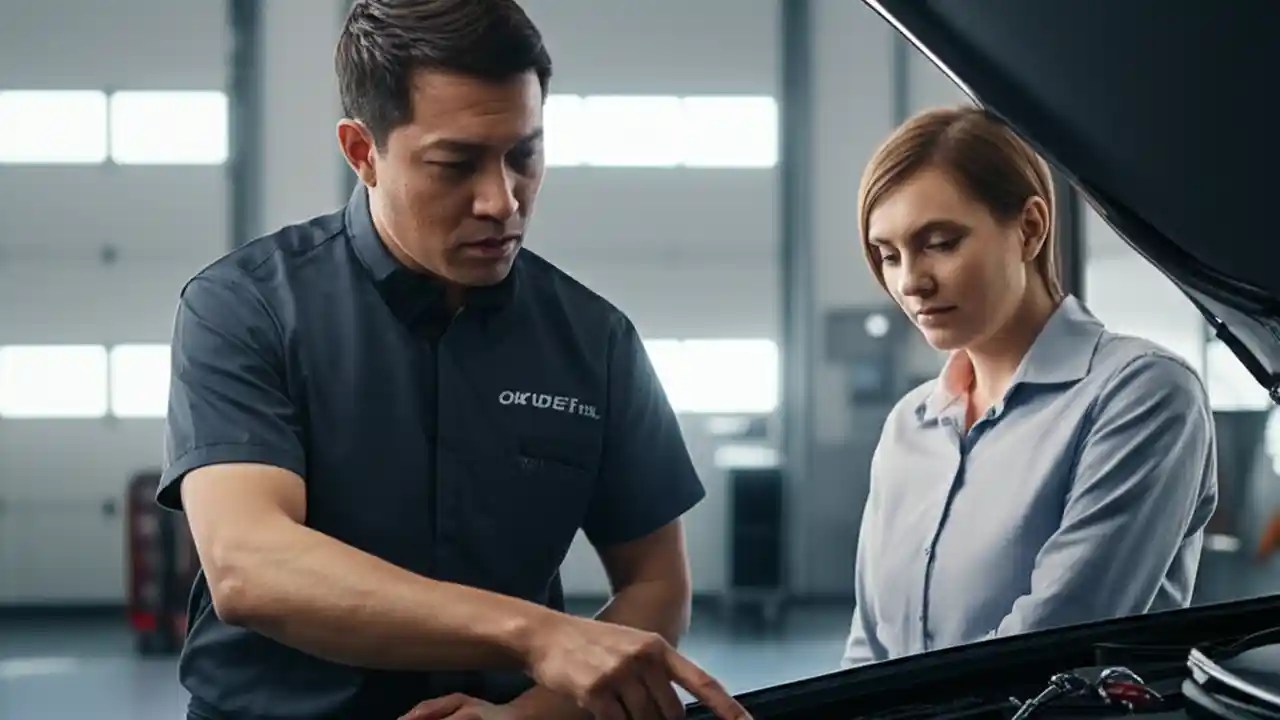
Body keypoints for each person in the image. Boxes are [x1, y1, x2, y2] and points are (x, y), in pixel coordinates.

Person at [158, 1, 751, 719]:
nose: (502, 201)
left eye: (524, 154)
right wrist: (534, 635)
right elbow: (250, 564)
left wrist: (524, 718)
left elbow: (657, 582)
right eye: (455, 164)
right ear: (362, 151)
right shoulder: (244, 308)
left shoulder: (596, 341)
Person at [840, 106, 1219, 668]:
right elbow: (867, 650)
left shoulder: (1142, 395)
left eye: (940, 242)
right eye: (888, 255)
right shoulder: (908, 424)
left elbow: (1052, 645)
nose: (910, 282)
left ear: (1031, 228)